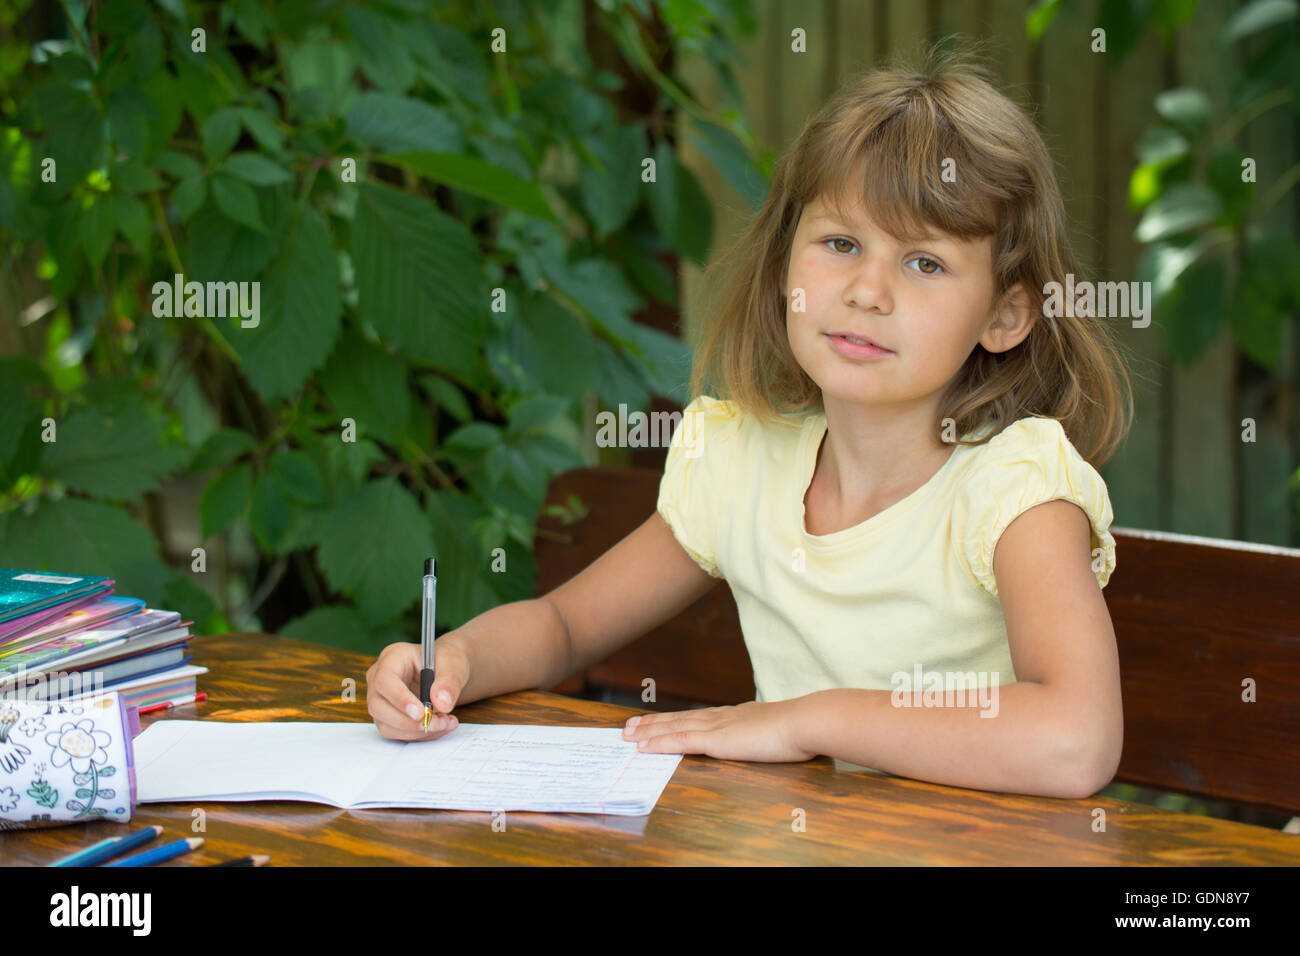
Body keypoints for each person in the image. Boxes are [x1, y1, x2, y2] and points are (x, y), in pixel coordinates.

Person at [366, 41, 1135, 799]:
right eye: (840, 243)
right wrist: (455, 661)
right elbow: (564, 626)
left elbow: (1075, 741)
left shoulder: (1013, 489)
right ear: (781, 269)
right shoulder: (742, 461)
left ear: (1004, 315)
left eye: (924, 262)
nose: (867, 291)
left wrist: (810, 721)